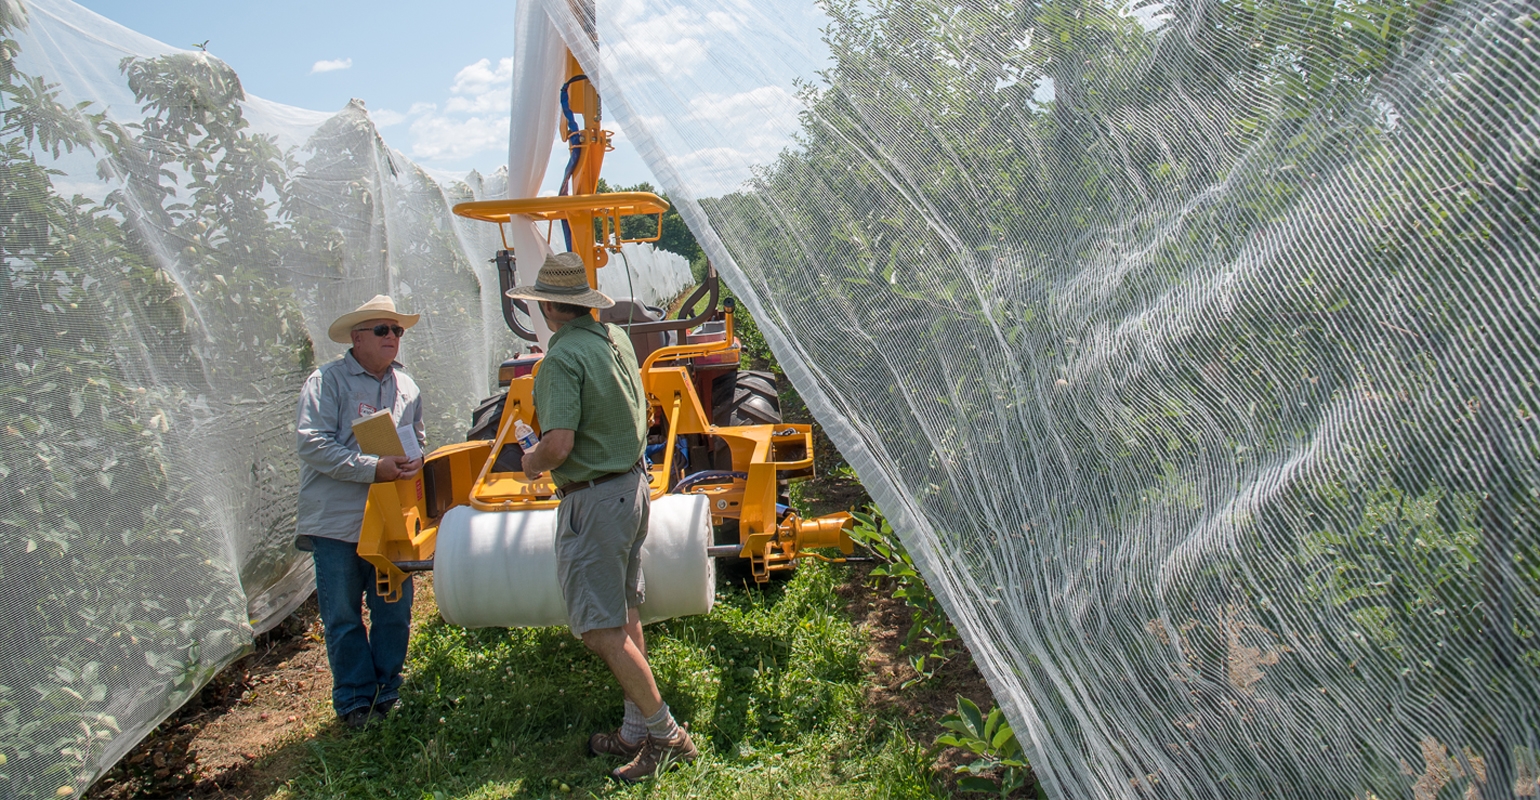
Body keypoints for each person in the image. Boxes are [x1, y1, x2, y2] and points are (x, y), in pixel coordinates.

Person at [509, 252, 698, 782]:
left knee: (599, 629)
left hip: (593, 500)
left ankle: (666, 734)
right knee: (623, 611)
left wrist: (530, 462)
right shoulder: (614, 339)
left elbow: (560, 444)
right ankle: (635, 729)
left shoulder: (561, 360)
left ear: (548, 307)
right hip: (632, 488)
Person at [294, 294, 425, 729]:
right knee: (343, 614)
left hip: (390, 517)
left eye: (397, 331)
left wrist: (414, 460)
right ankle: (354, 701)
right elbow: (312, 443)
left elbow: (417, 437)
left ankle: (388, 690)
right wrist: (373, 468)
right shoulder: (327, 381)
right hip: (338, 521)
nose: (393, 338)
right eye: (383, 331)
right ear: (357, 337)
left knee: (393, 608)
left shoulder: (407, 386)